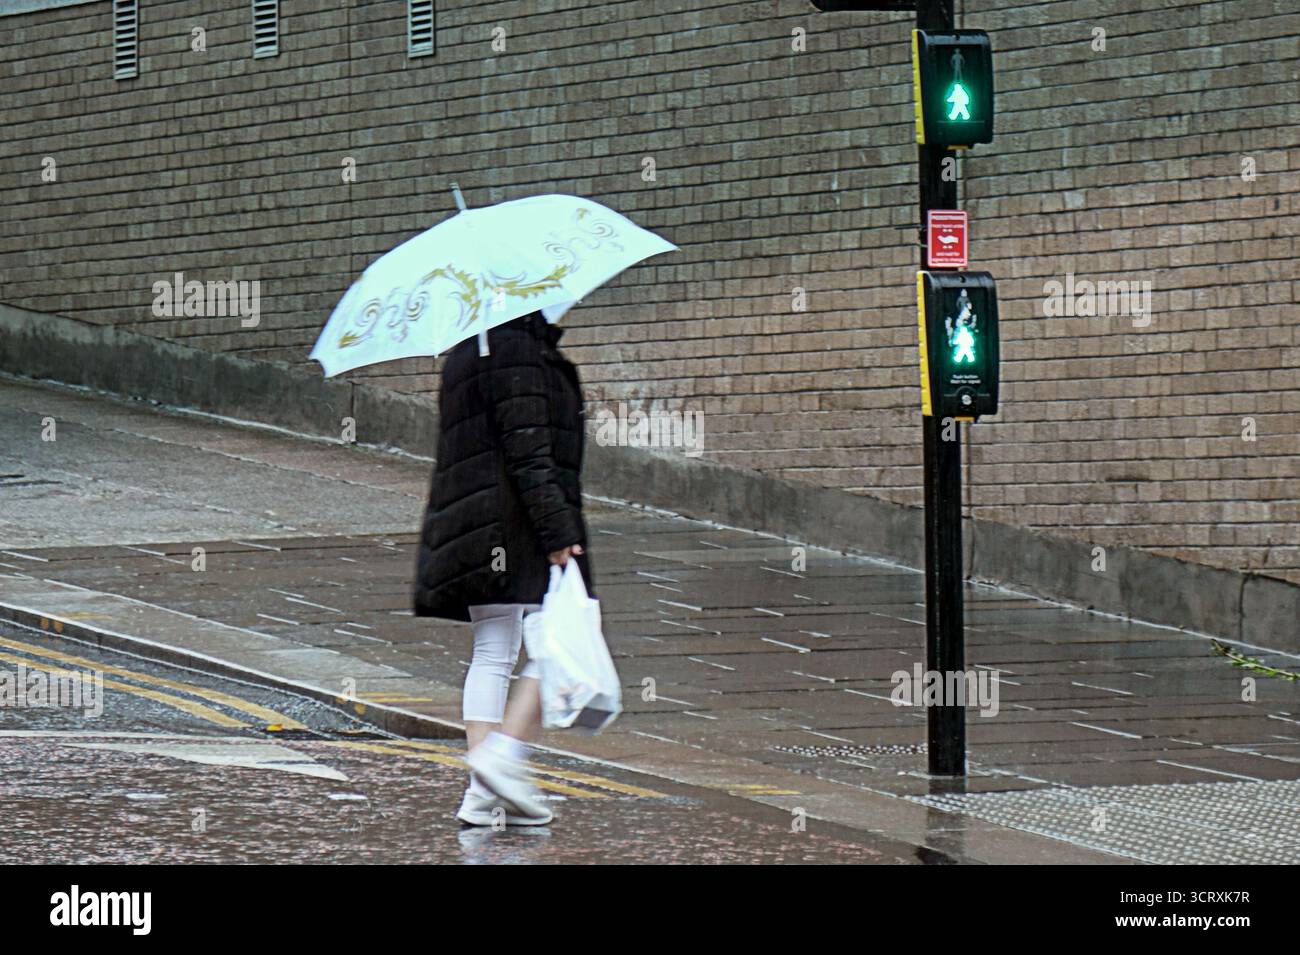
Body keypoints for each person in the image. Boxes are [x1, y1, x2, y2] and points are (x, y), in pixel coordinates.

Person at [413, 309, 592, 826]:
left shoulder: (468, 351)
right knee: (557, 649)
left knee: (493, 650)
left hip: (472, 523)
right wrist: (558, 532)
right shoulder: (516, 351)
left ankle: (481, 792)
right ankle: (502, 756)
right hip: (514, 523)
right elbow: (530, 453)